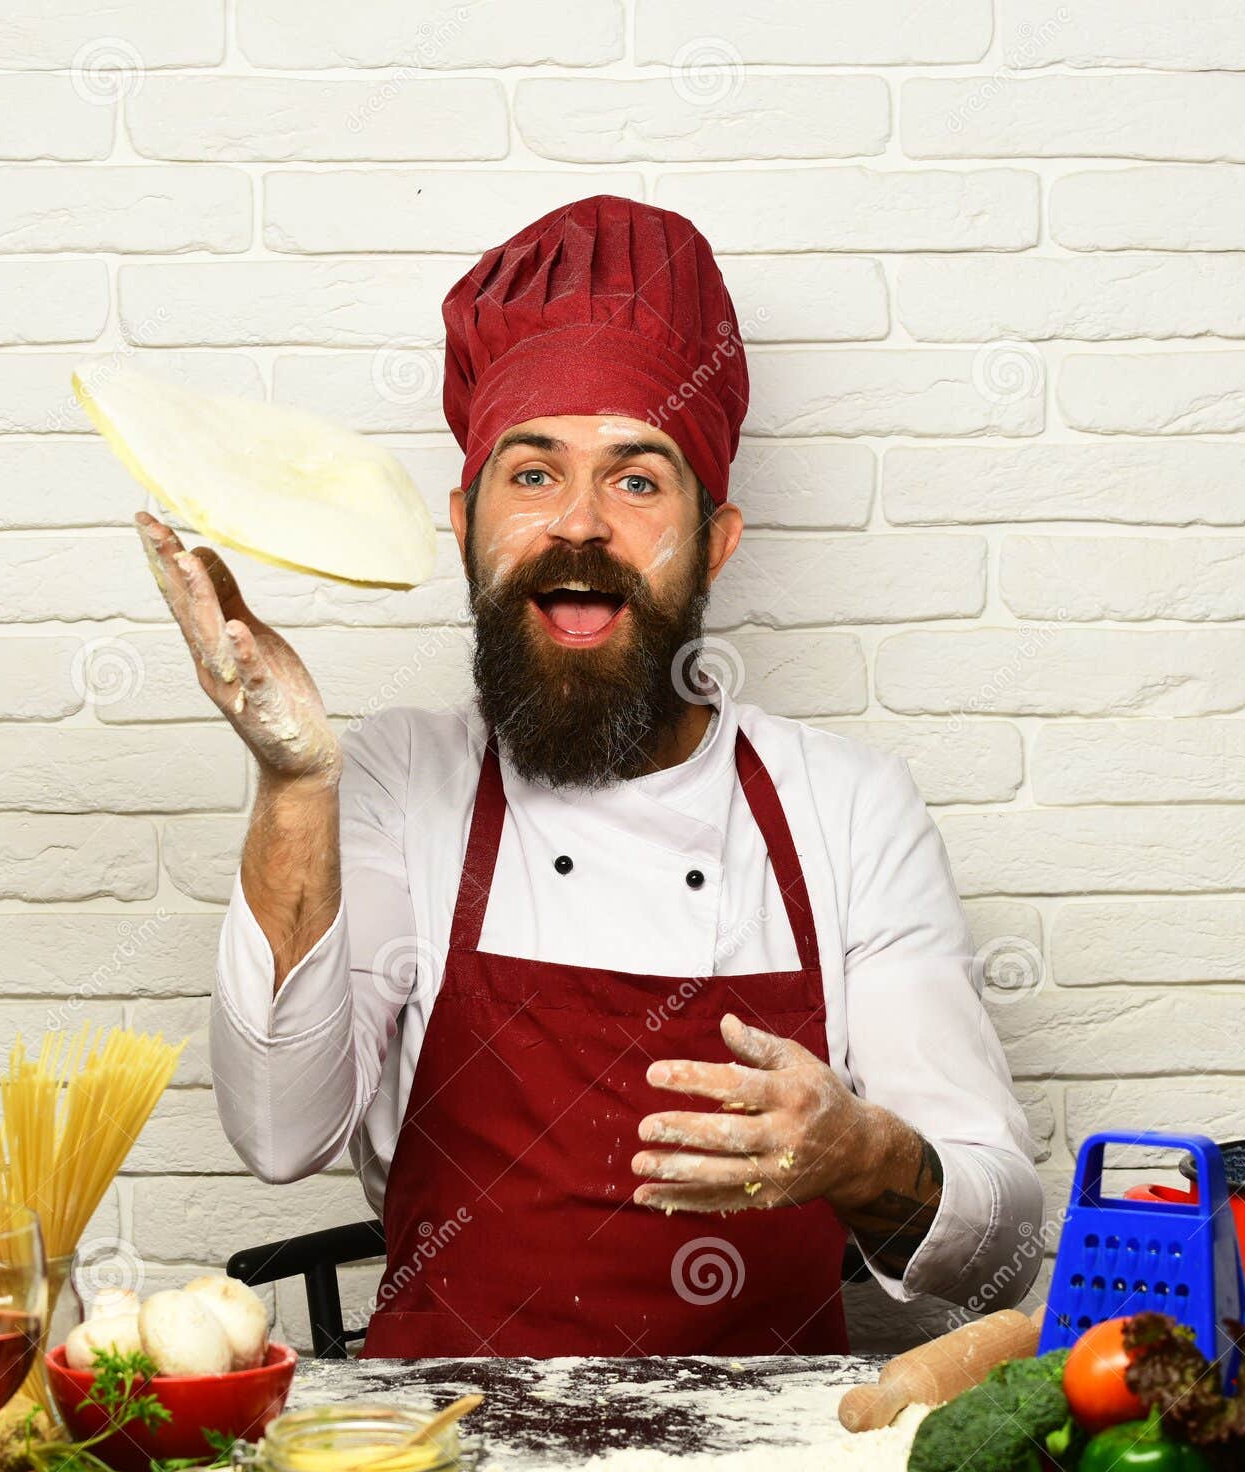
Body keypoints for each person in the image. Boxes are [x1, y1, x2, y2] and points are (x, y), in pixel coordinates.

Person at [138, 195, 1043, 1359]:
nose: (579, 525)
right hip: (441, 1459)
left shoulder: (846, 805)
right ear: (466, 525)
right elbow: (276, 1133)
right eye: (532, 476)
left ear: (715, 540)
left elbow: (1007, 1251)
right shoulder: (394, 777)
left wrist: (860, 1154)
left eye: (637, 479)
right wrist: (294, 780)